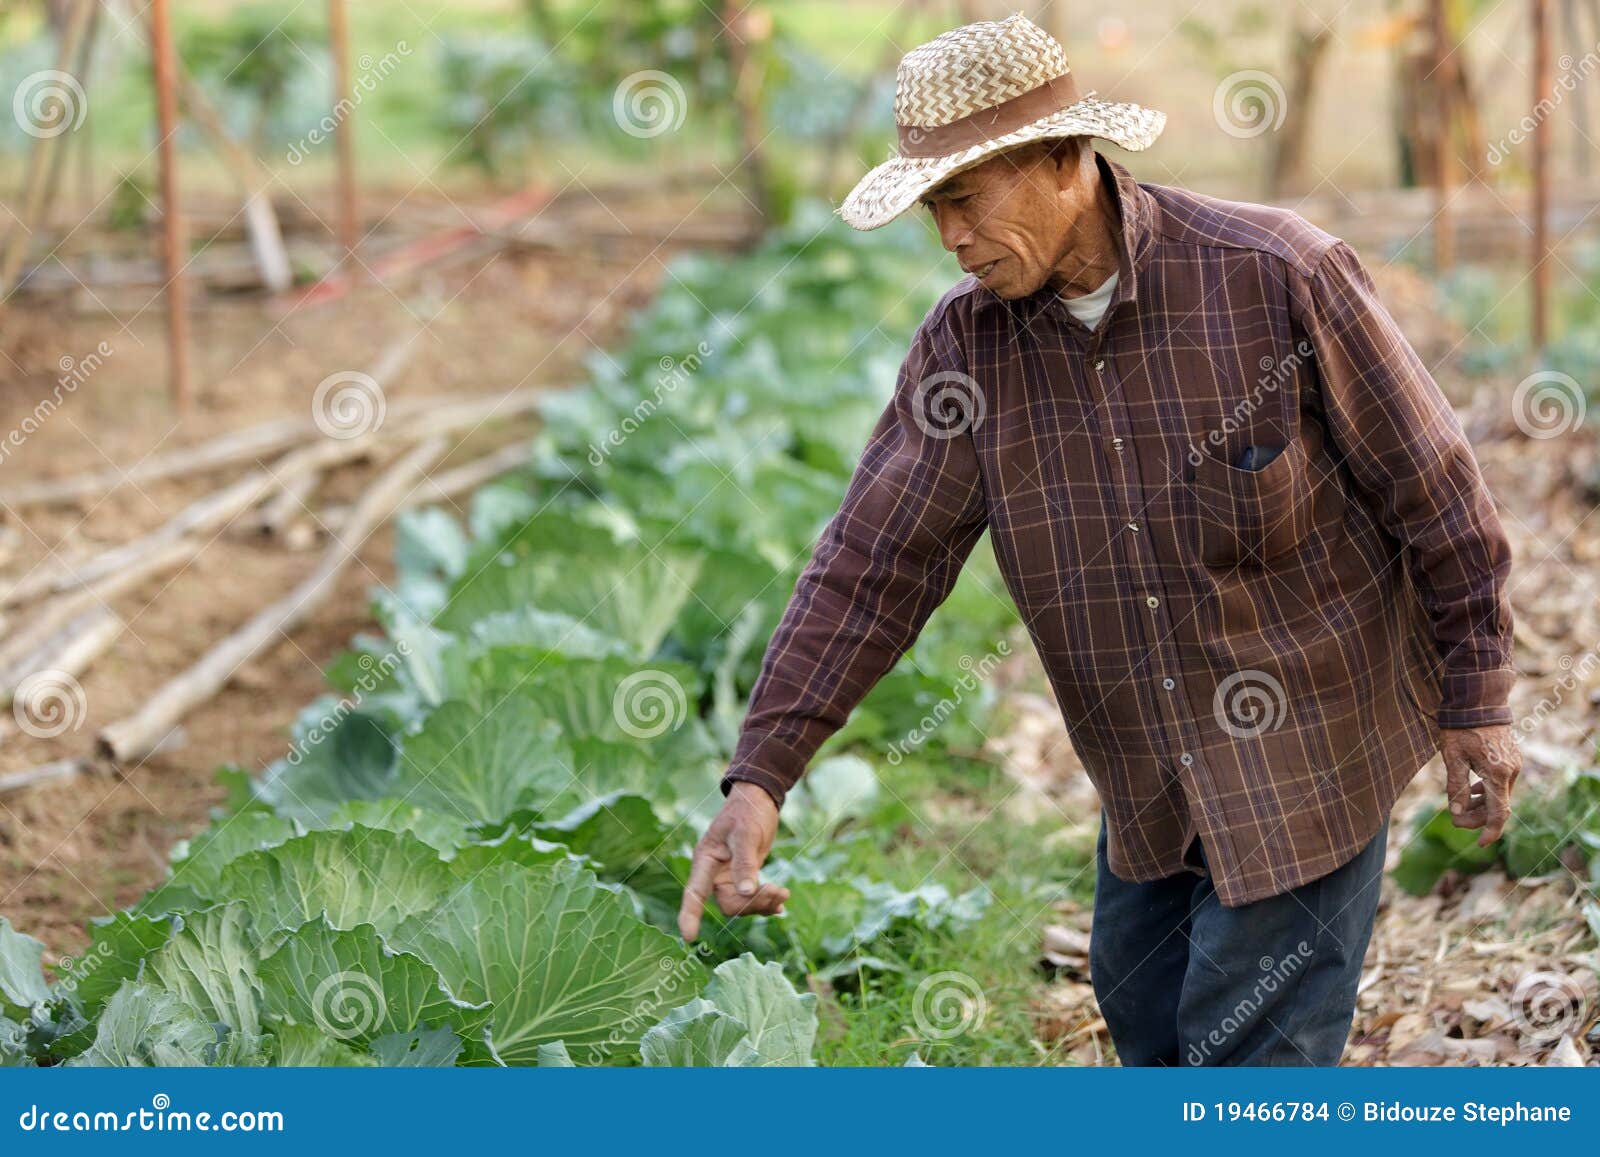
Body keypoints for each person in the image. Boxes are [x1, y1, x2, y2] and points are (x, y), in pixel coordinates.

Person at [676, 13, 1519, 1066]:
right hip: (1146, 780)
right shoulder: (968, 352)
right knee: (1144, 1024)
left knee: (1246, 1056)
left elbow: (1433, 484)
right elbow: (871, 566)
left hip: (1314, 745)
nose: (948, 237)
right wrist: (760, 776)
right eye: (931, 208)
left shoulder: (1272, 275)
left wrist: (1474, 698)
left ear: (1065, 161)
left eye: (961, 199)